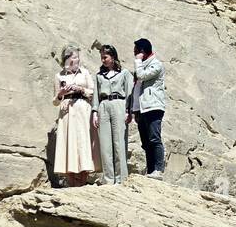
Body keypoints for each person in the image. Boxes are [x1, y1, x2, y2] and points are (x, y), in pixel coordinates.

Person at [53, 45, 97, 187]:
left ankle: (83, 180)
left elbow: (93, 91)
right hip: (67, 112)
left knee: (83, 142)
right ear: (67, 59)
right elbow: (54, 101)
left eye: (77, 57)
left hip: (83, 109)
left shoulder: (84, 72)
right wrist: (61, 94)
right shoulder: (59, 76)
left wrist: (81, 89)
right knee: (69, 143)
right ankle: (71, 182)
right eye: (74, 57)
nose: (77, 60)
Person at [127, 37, 167, 178]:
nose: (134, 54)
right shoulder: (142, 65)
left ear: (142, 51)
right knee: (146, 142)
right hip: (141, 109)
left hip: (153, 106)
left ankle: (158, 169)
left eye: (136, 51)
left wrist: (138, 61)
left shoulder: (156, 64)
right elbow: (136, 88)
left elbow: (142, 76)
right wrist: (133, 109)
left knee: (154, 139)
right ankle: (151, 171)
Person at [94, 44, 133, 185]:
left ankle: (121, 179)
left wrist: (129, 111)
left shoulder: (124, 73)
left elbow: (129, 93)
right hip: (103, 106)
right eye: (102, 57)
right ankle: (108, 179)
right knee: (105, 145)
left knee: (119, 143)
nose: (103, 60)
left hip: (119, 104)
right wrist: (95, 113)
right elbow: (96, 97)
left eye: (105, 57)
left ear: (113, 57)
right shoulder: (99, 76)